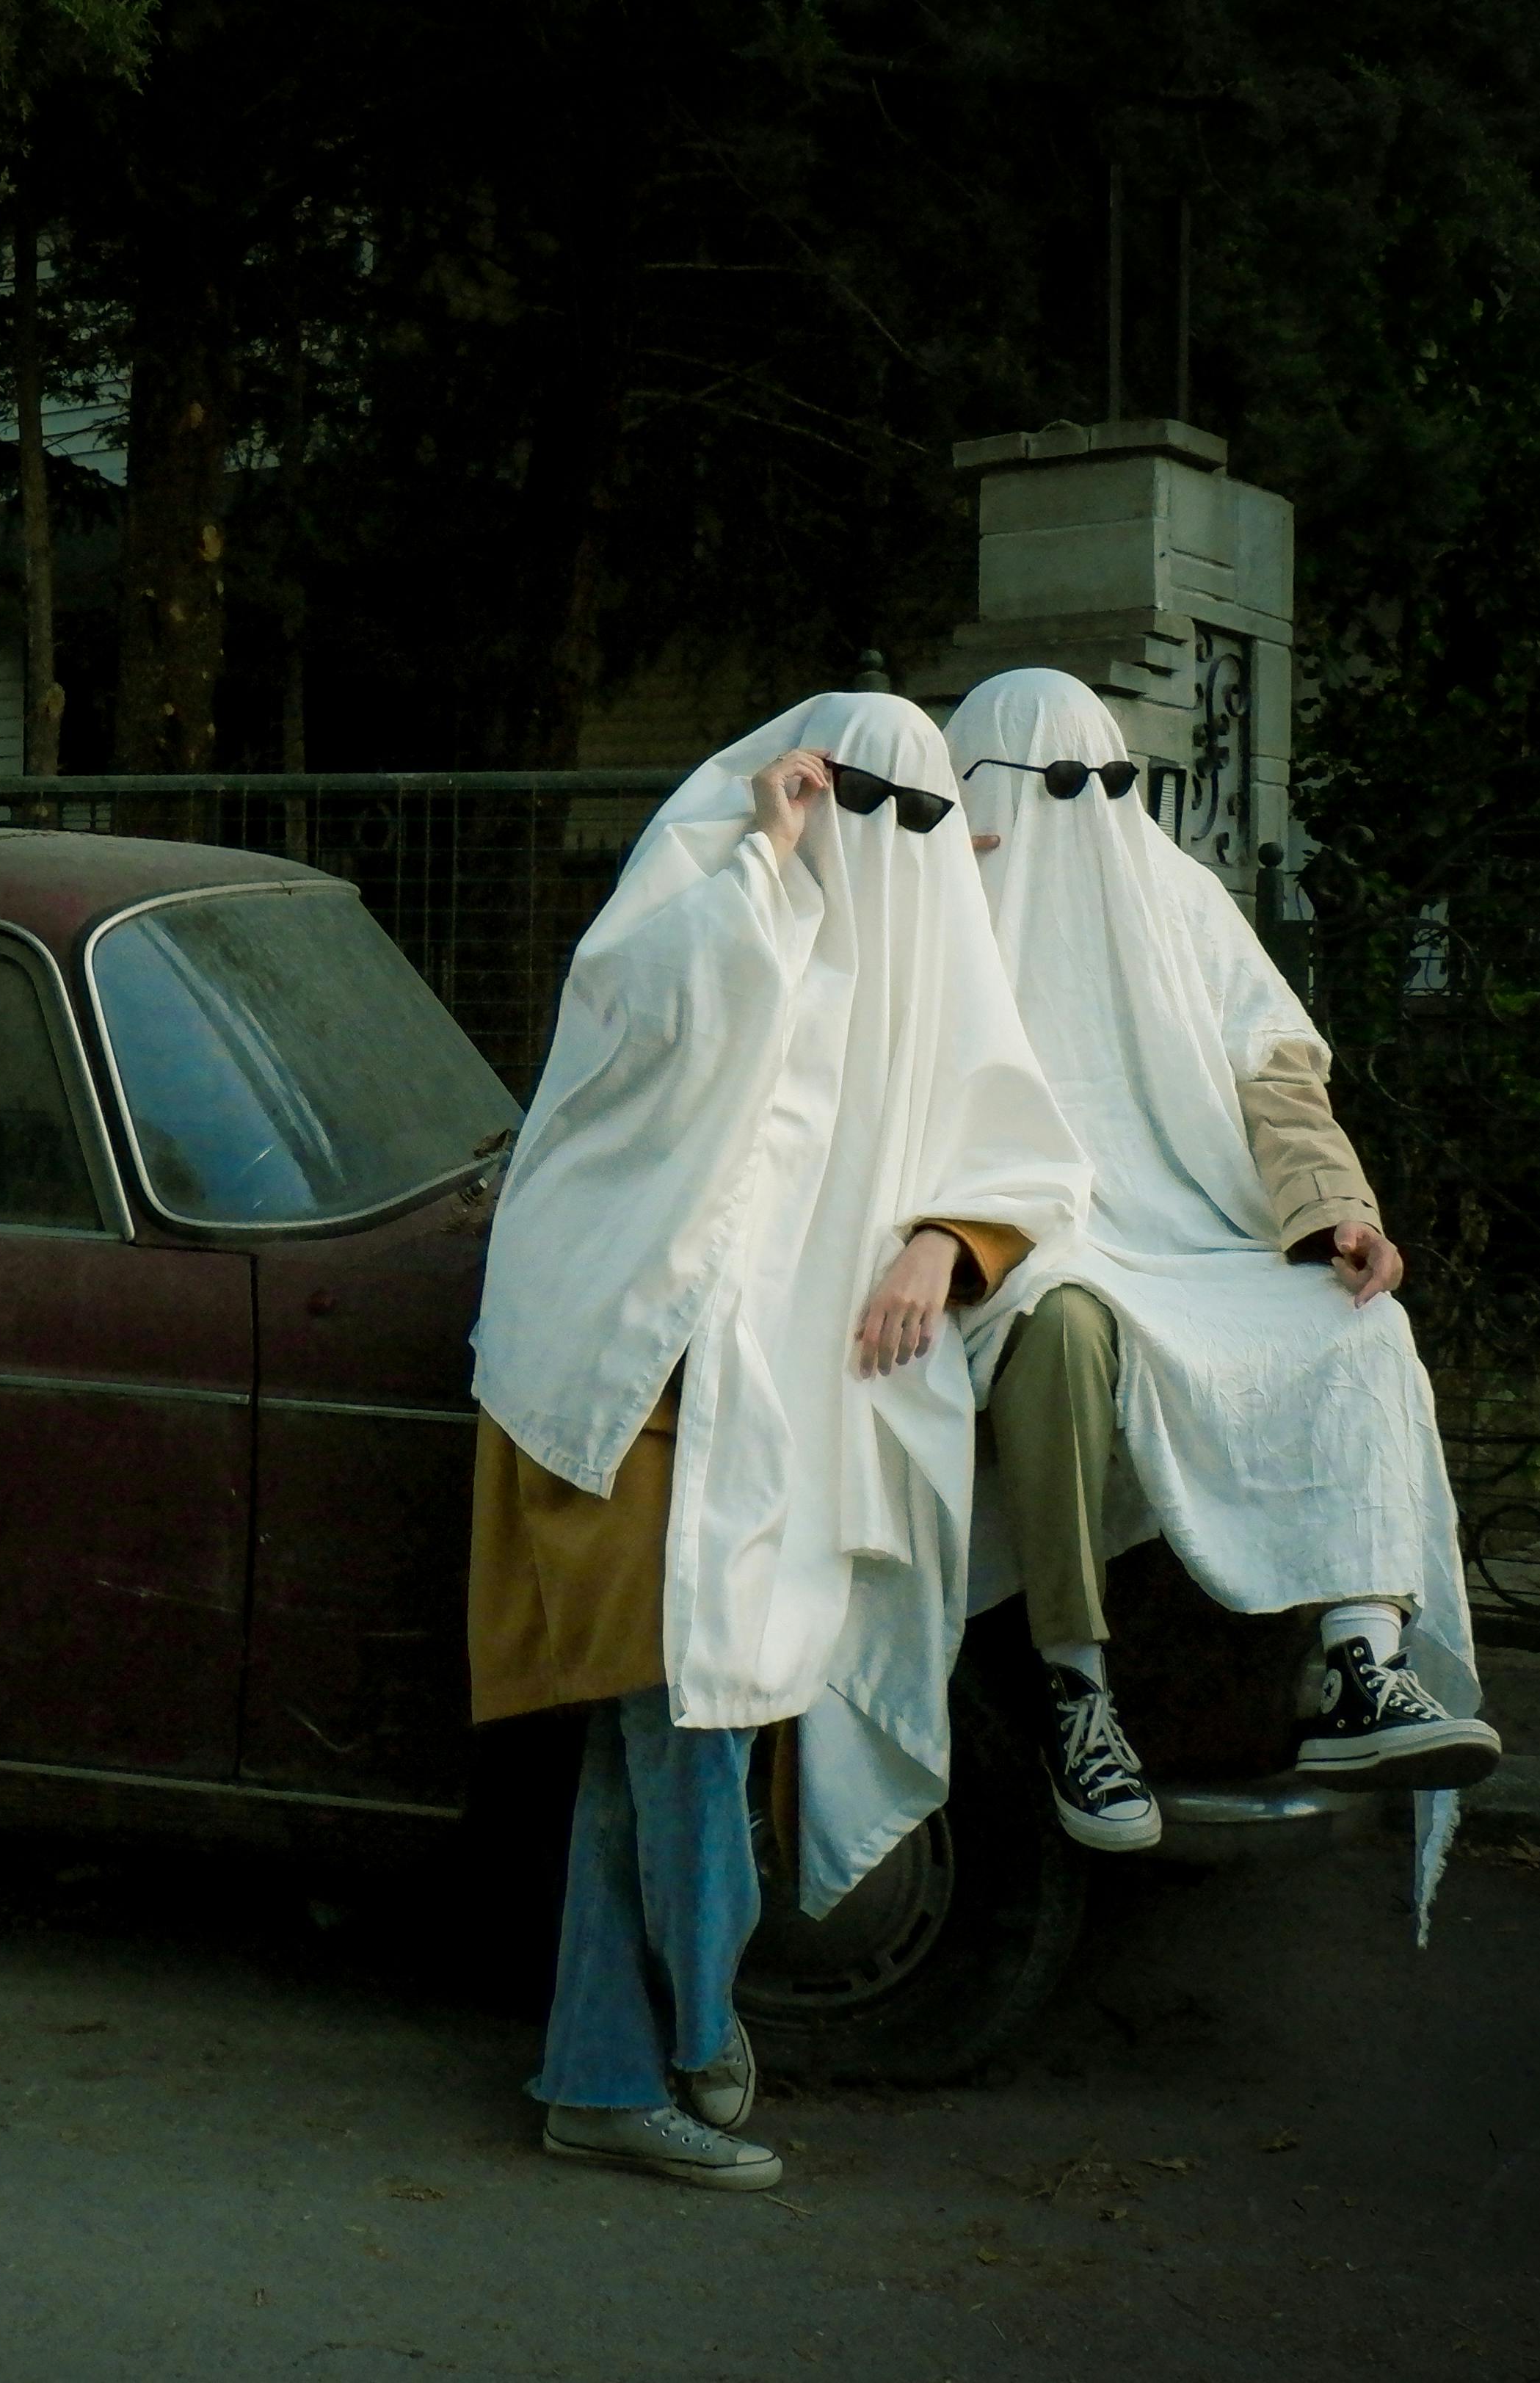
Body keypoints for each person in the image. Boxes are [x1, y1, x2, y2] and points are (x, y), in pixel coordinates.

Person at [469, 692, 1088, 2189]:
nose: (888, 847)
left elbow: (1024, 1147)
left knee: (682, 1733)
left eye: (918, 818)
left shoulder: (932, 961)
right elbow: (657, 1030)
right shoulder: (699, 901)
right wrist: (763, 858)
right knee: (669, 1725)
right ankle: (682, 2023)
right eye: (863, 805)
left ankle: (610, 2072)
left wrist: (939, 1242)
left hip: (779, 1415)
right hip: (622, 1397)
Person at [942, 667, 1501, 1854]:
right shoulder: (937, 910)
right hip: (1027, 1244)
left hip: (1196, 1234)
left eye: (1108, 781)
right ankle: (1076, 1691)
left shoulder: (1175, 895)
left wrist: (1335, 1212)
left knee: (1356, 1321)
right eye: (1054, 786)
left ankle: (1359, 1660)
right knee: (1067, 1326)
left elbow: (1276, 1067)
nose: (1084, 811)